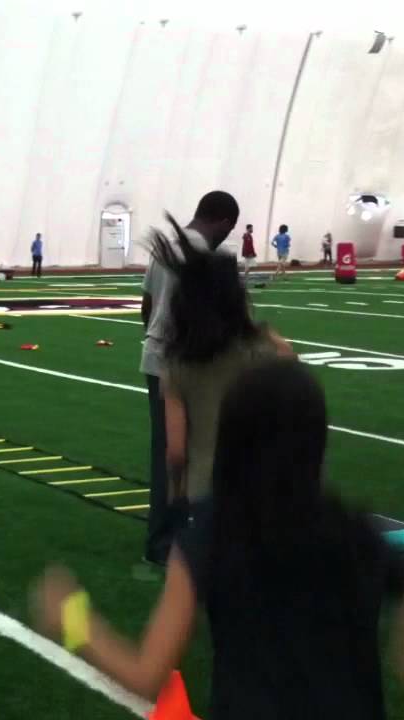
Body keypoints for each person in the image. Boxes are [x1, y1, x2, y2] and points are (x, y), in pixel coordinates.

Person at [32, 360, 404, 718]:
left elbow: (147, 673)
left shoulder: (208, 534)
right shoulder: (355, 531)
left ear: (233, 439)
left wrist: (72, 619)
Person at [151, 215, 293, 506]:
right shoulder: (271, 350)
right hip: (265, 489)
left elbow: (176, 453)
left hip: (207, 492)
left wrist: (176, 491)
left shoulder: (177, 365)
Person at [139, 190, 239, 566]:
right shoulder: (211, 256)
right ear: (224, 222)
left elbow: (147, 305)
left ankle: (169, 539)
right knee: (188, 455)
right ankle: (171, 542)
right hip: (191, 366)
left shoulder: (166, 246)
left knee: (168, 453)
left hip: (158, 357)